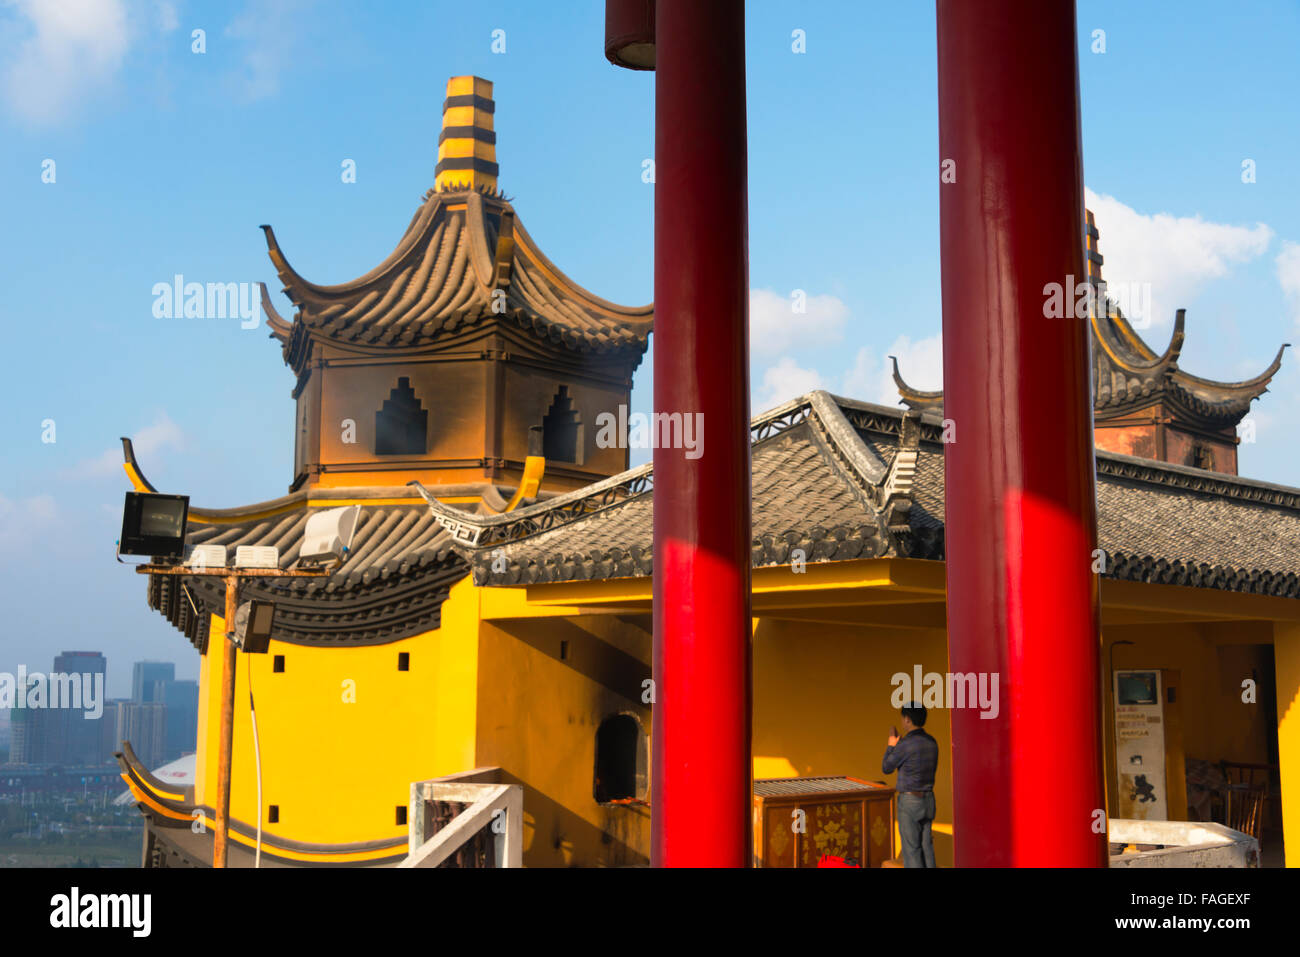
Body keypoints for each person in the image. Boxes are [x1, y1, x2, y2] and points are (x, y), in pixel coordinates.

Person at [881, 702, 939, 868]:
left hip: (910, 801)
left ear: (907, 719)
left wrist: (891, 745)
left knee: (912, 851)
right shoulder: (932, 742)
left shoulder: (905, 744)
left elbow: (886, 767)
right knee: (927, 848)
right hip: (929, 799)